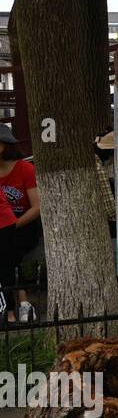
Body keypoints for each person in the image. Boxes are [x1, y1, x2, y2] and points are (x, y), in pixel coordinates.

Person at [0, 125, 38, 321]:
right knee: (5, 249)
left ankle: (14, 307)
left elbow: (37, 207)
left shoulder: (25, 169)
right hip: (3, 227)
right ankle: (22, 301)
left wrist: (13, 225)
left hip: (26, 223)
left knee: (6, 249)